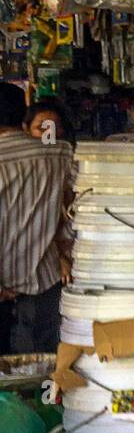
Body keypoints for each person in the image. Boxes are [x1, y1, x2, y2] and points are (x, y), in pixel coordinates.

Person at [0, 84, 75, 354]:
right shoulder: (61, 153)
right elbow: (76, 207)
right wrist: (64, 250)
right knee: (43, 362)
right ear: (23, 117)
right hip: (44, 282)